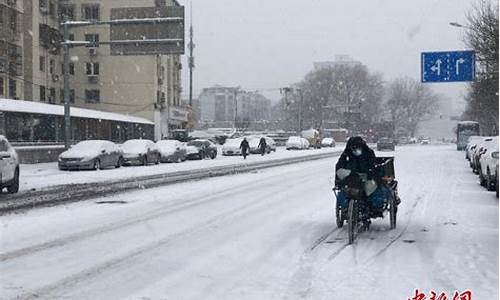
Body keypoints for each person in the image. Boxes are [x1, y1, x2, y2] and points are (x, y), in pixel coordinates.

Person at [335, 136, 382, 216]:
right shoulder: (346, 154)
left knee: (369, 192)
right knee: (345, 192)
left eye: (358, 147)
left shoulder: (368, 153)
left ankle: (368, 207)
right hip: (351, 179)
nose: (356, 150)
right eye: (354, 148)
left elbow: (373, 166)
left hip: (365, 178)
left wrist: (370, 174)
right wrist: (340, 179)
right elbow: (339, 166)